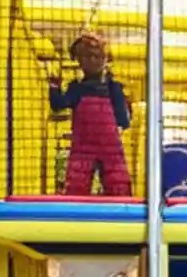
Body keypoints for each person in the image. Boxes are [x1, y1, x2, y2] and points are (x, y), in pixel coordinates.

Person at [49, 33, 133, 197]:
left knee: (117, 184)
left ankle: (121, 211)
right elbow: (59, 104)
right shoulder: (78, 89)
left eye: (96, 56)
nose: (92, 61)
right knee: (78, 184)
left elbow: (123, 119)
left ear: (104, 59)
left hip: (108, 148)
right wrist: (54, 87)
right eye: (87, 57)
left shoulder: (113, 88)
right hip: (84, 147)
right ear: (79, 61)